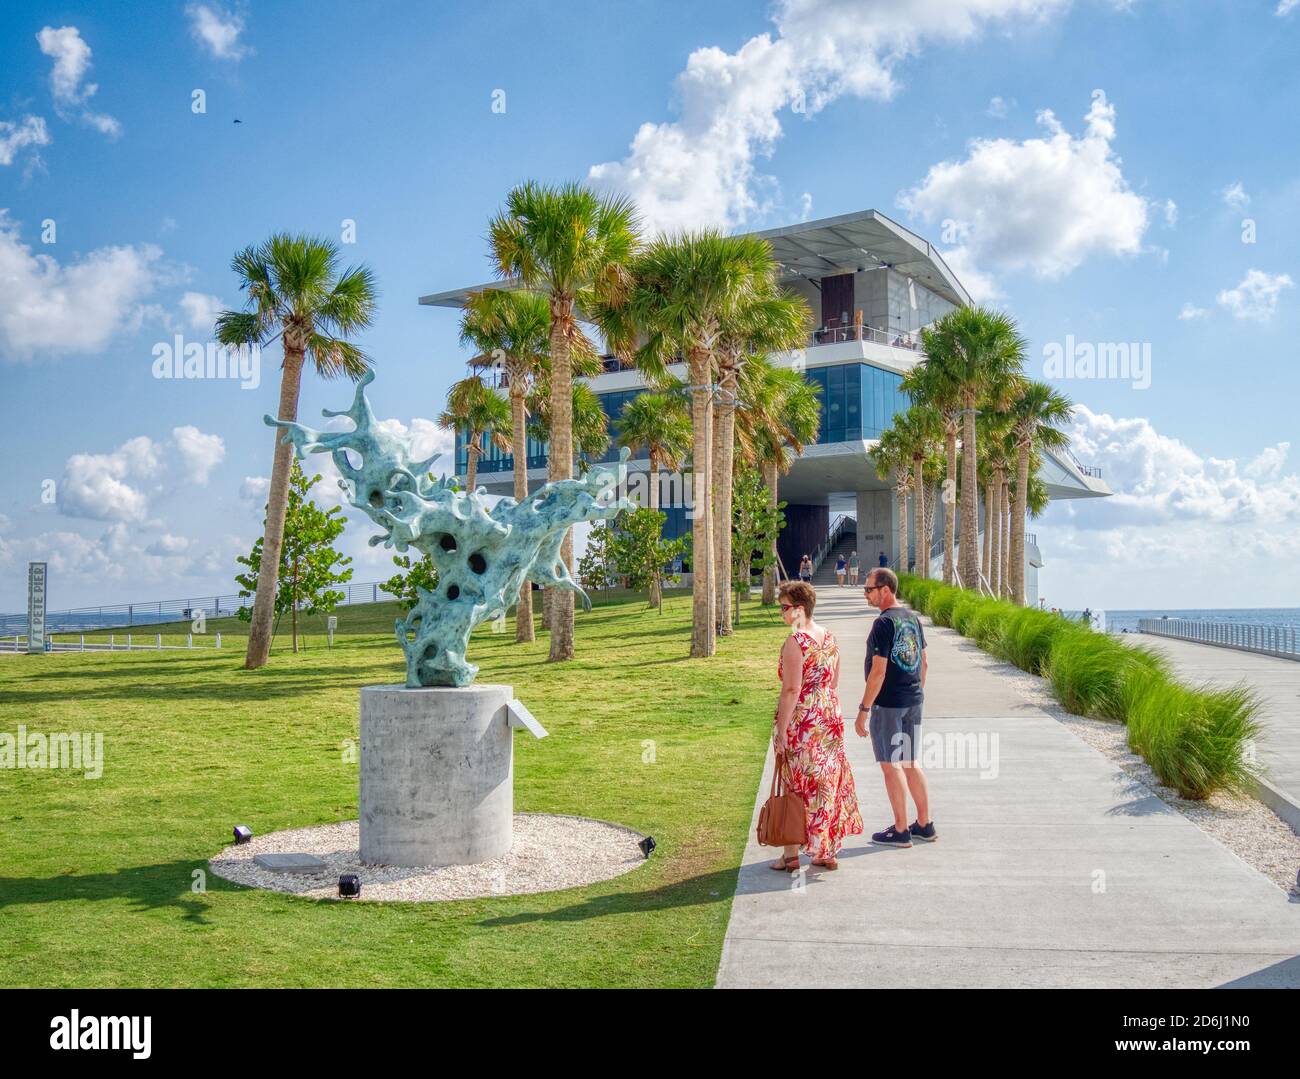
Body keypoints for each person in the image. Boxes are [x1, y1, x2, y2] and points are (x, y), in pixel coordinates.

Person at [770, 580, 863, 872]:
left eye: (784, 608)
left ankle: (791, 854)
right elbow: (833, 681)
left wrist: (781, 728)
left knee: (796, 780)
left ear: (798, 609)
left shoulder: (795, 641)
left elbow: (791, 689)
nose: (782, 614)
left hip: (805, 719)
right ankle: (825, 851)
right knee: (827, 782)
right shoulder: (829, 636)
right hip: (829, 714)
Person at [854, 567, 935, 847]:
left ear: (885, 590)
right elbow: (923, 663)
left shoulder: (883, 624)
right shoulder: (912, 619)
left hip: (888, 704)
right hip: (913, 699)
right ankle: (924, 824)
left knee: (891, 766)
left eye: (869, 589)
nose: (866, 594)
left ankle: (901, 830)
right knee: (910, 762)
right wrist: (915, 693)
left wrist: (864, 710)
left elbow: (878, 672)